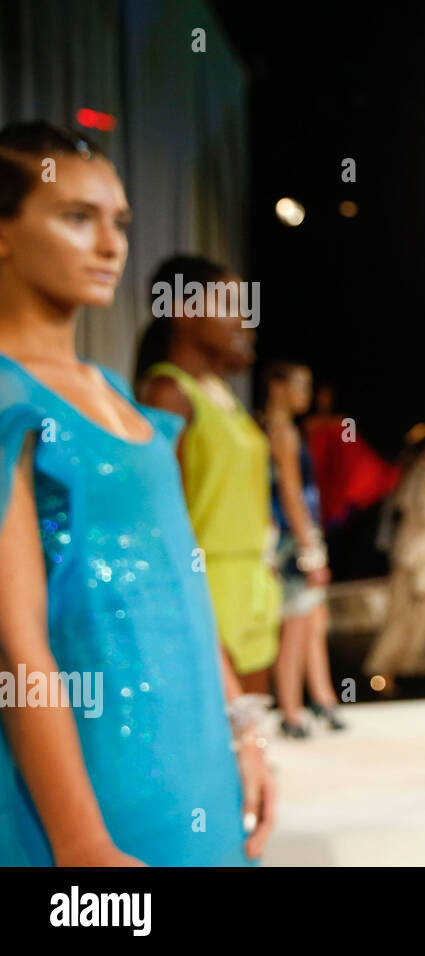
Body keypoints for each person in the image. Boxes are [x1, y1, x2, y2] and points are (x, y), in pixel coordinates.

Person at [0, 121, 273, 865]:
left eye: (118, 221)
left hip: (200, 763)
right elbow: (16, 644)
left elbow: (181, 575)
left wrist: (243, 726)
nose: (111, 244)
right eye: (76, 217)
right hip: (95, 787)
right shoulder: (6, 393)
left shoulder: (116, 391)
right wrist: (83, 843)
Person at [135, 255, 282, 694]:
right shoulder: (169, 393)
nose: (244, 319)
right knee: (222, 734)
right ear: (182, 310)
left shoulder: (224, 397)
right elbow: (158, 514)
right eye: (231, 304)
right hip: (205, 580)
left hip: (253, 578)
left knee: (257, 738)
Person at [261, 361, 345, 737]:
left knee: (313, 618)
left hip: (298, 530)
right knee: (296, 624)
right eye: (300, 386)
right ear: (278, 386)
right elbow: (291, 494)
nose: (306, 395)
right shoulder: (281, 431)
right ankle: (292, 710)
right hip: (295, 536)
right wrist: (309, 549)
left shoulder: (279, 428)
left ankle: (322, 699)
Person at [365, 425, 425, 691]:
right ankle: (386, 669)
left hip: (416, 549)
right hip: (423, 552)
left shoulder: (416, 473)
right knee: (418, 610)